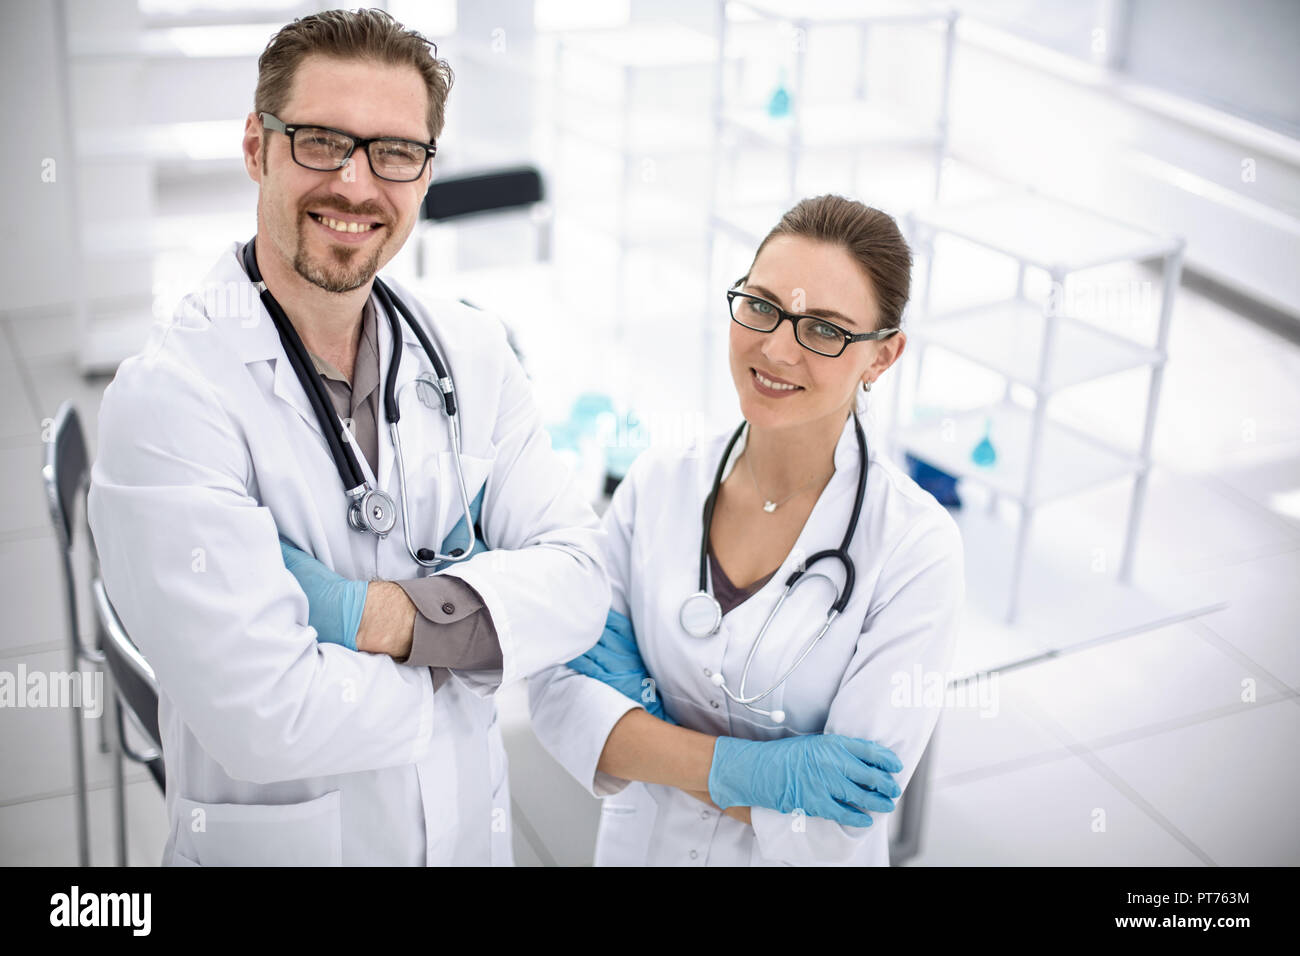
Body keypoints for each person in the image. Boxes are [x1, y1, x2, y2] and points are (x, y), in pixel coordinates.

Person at [87, 8, 608, 866]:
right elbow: (269, 717)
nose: (358, 185)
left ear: (426, 173)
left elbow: (583, 580)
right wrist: (479, 648)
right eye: (321, 141)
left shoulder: (471, 353)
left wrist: (377, 617)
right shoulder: (169, 404)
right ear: (257, 148)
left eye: (395, 152)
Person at [527, 195, 966, 866]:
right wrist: (755, 771)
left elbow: (843, 816)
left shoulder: (915, 549)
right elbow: (558, 696)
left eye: (825, 329)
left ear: (883, 357)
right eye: (762, 305)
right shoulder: (659, 484)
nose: (777, 347)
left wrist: (649, 738)